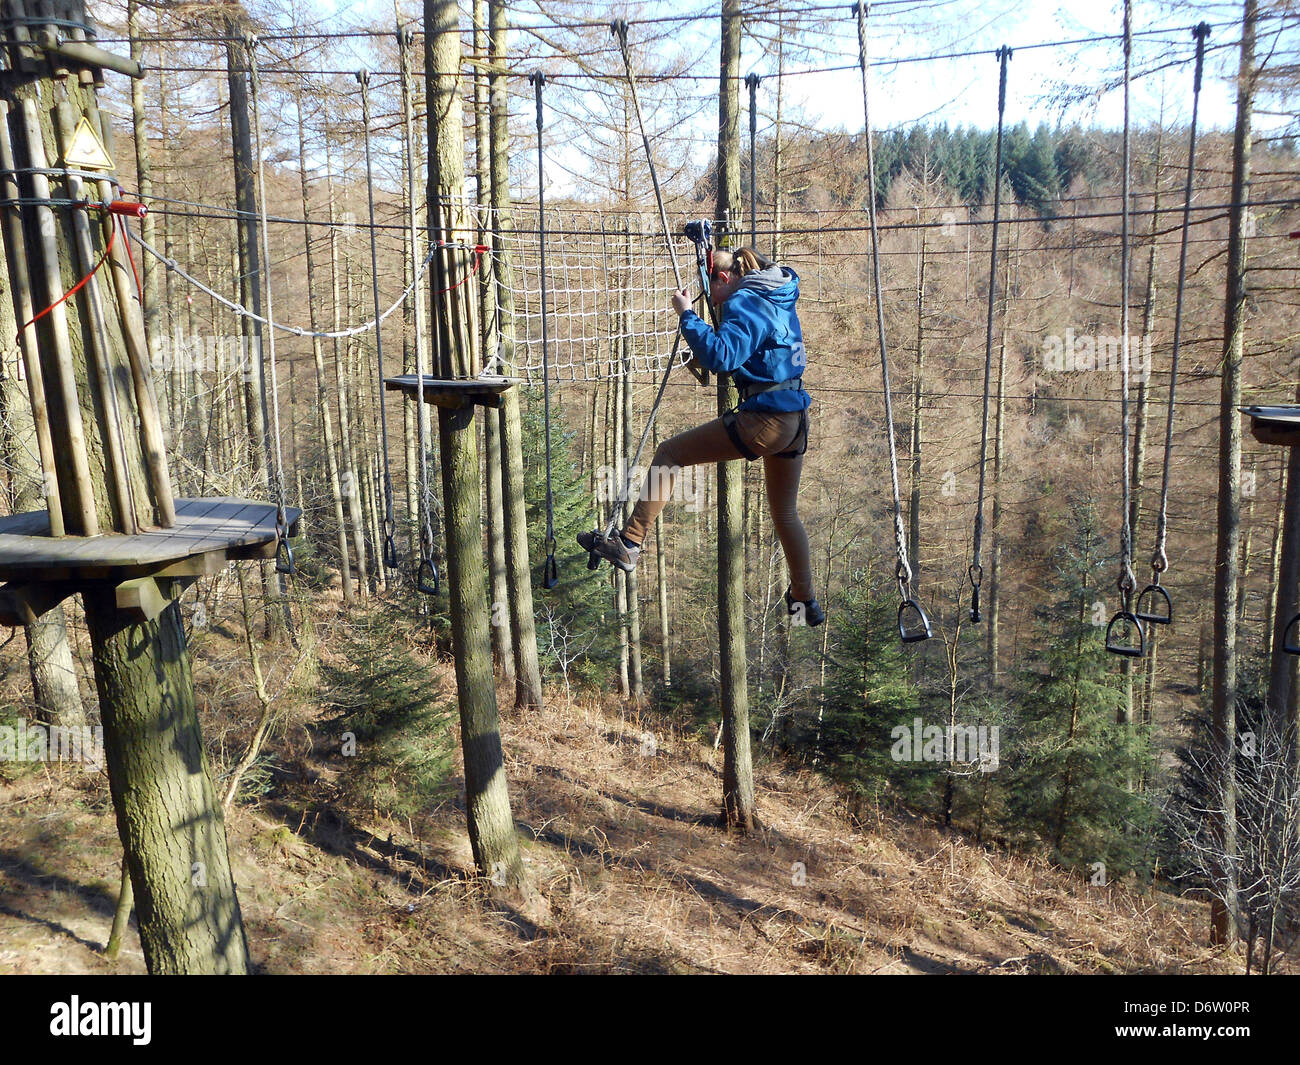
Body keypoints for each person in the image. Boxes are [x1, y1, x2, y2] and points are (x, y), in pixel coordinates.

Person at [578, 246, 823, 626]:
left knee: (670, 453)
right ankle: (804, 600)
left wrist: (688, 316)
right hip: (794, 419)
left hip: (766, 420)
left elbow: (723, 356)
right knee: (785, 513)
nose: (712, 300)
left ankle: (629, 544)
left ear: (724, 279)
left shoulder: (747, 299)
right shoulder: (776, 291)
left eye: (710, 290)